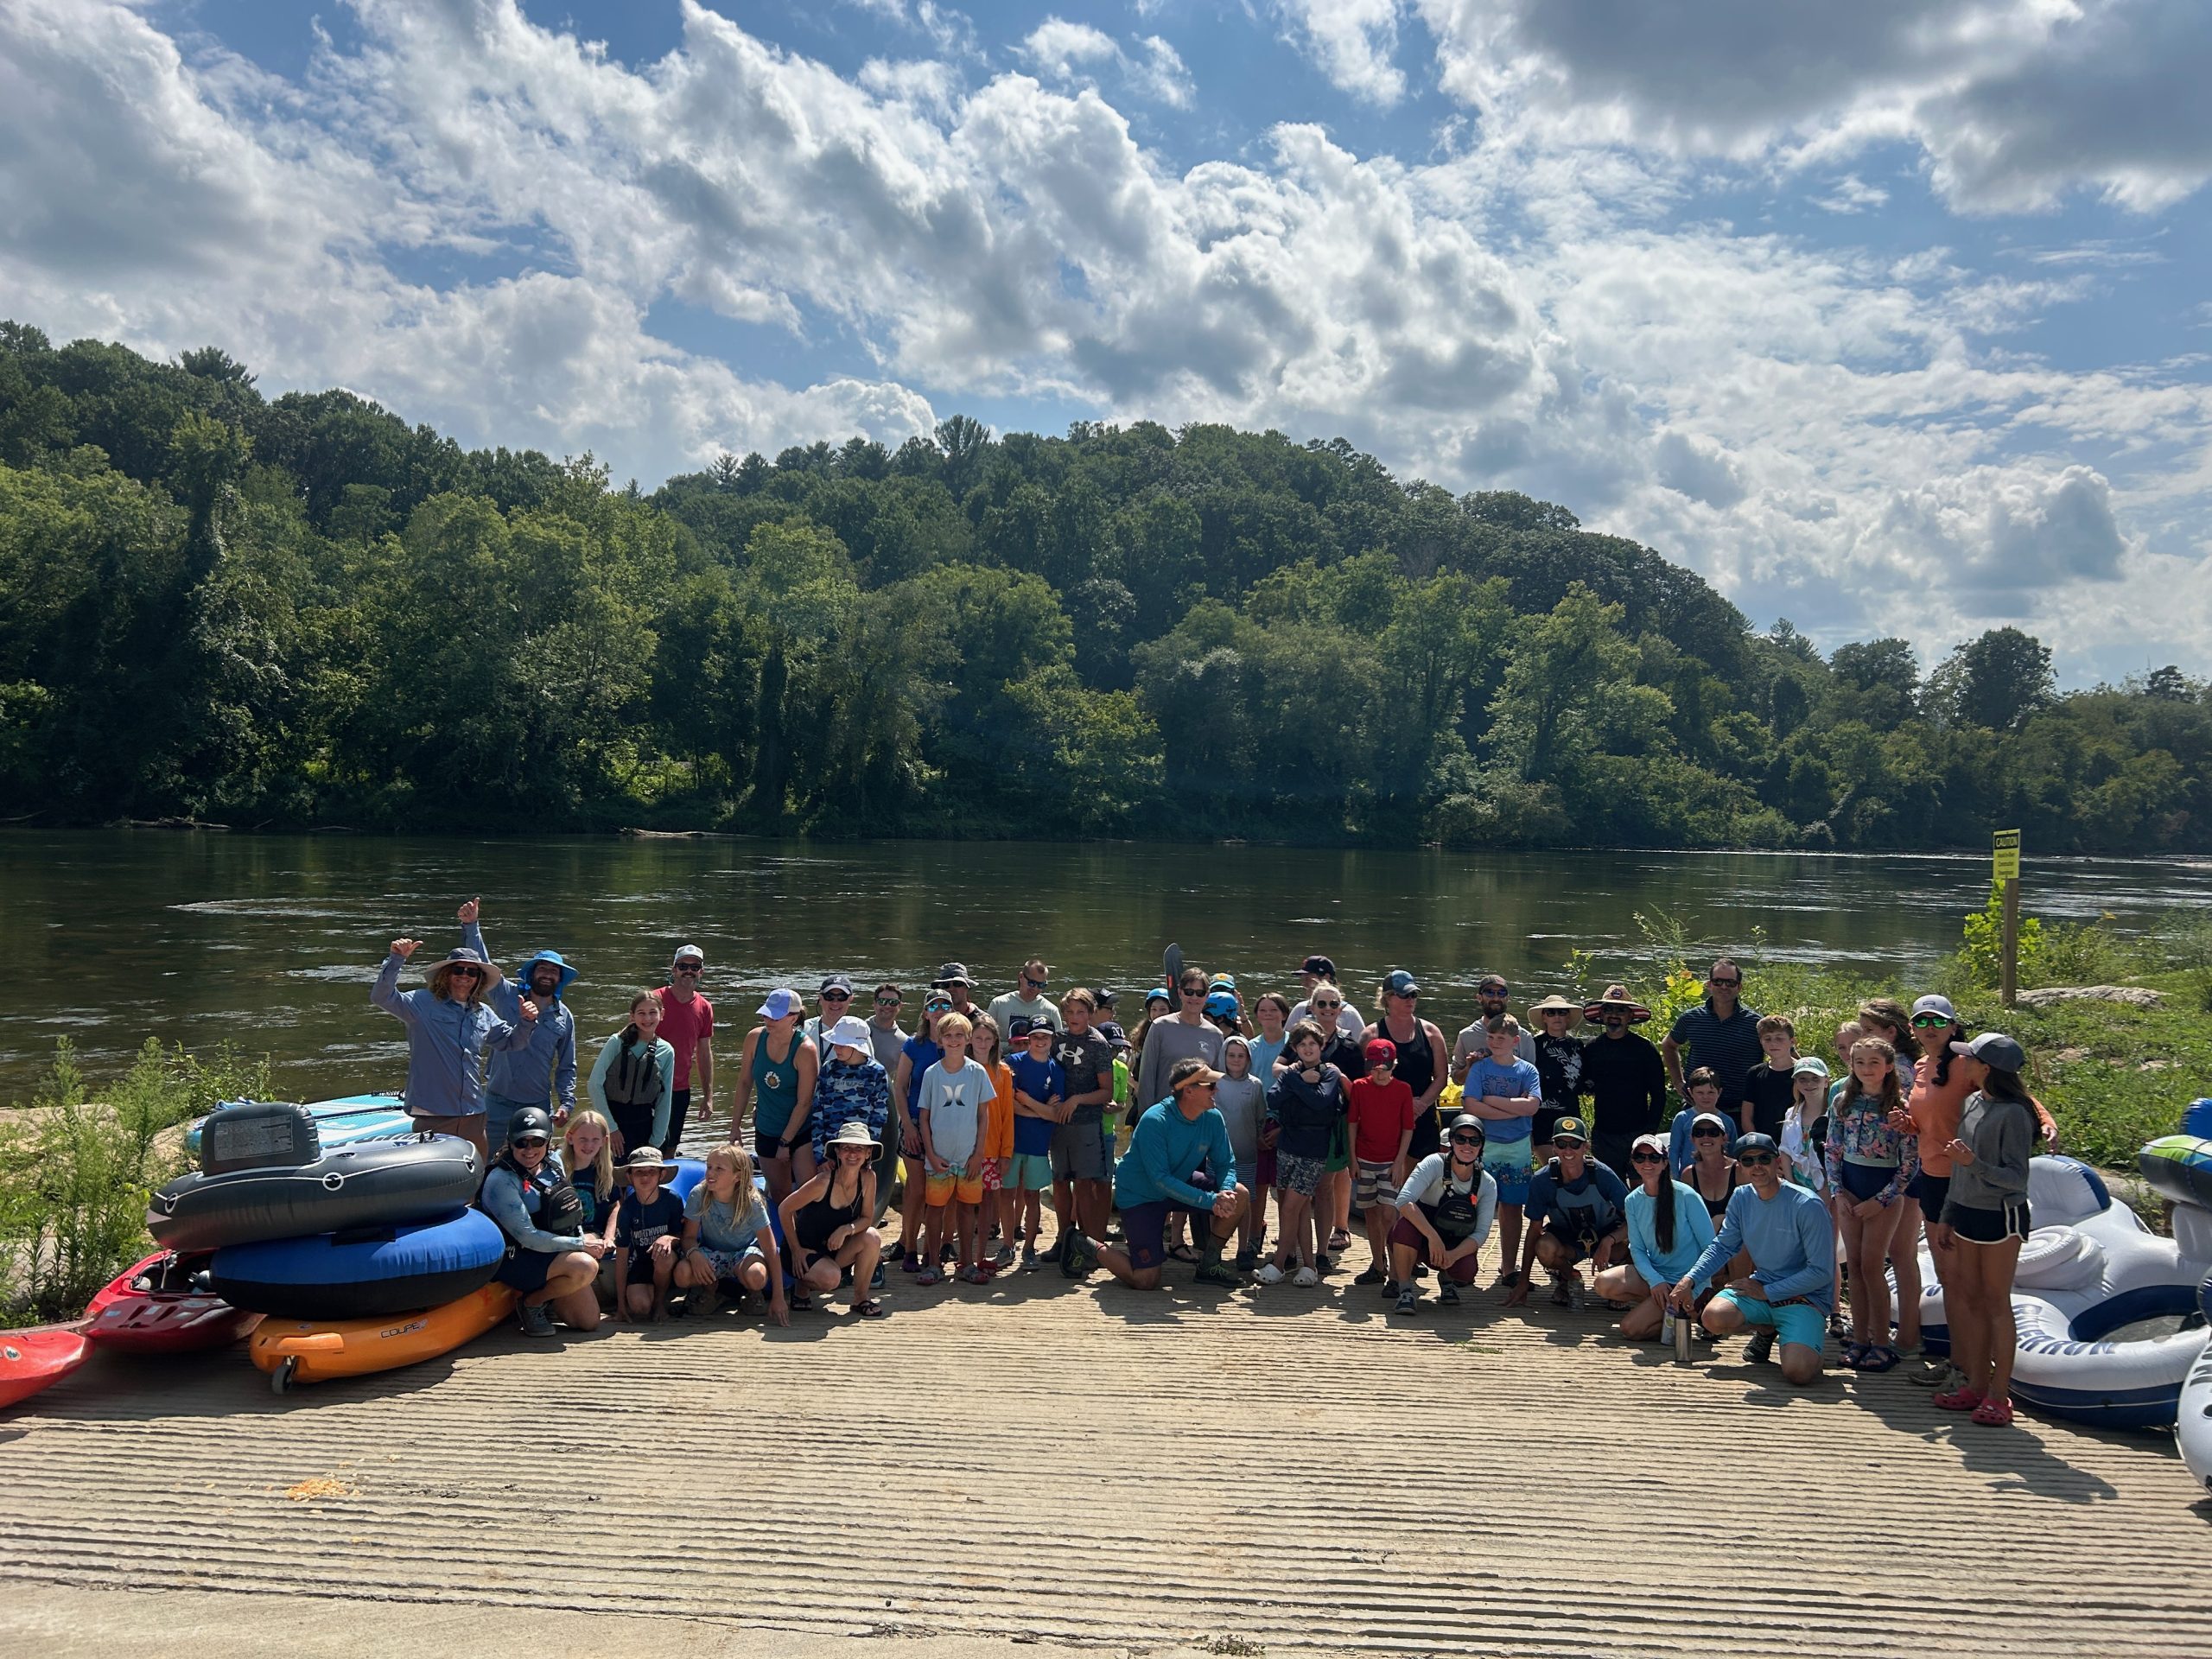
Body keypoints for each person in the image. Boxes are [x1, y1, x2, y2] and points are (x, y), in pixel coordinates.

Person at [1062, 1058, 1249, 1290]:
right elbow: (1160, 1180)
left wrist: (1226, 1192)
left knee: (1240, 1194)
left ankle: (1209, 1265)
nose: (1216, 1090)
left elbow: (1225, 1163)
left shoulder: (1213, 1117)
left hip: (1175, 1182)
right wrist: (1211, 1200)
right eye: (1210, 1086)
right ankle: (1082, 1242)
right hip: (1141, 1195)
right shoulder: (1155, 1120)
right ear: (1189, 1091)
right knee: (1146, 1280)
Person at [1931, 1033, 2040, 1427]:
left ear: (1987, 1068)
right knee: (1972, 1300)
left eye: (1971, 1058)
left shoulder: (2015, 1113)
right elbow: (1959, 1168)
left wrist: (1973, 1163)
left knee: (1996, 1303)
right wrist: (1948, 1214)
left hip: (2001, 1217)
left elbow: (2016, 1178)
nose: (1964, 1063)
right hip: (1966, 1213)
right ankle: (1976, 1386)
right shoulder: (1972, 1101)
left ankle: (1999, 1396)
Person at [1672, 1133, 1835, 1384]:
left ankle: (1805, 1343)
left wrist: (1768, 1292)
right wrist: (1689, 1280)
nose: (1756, 1166)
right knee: (1712, 1317)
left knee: (1799, 1372)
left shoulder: (1807, 1205)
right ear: (1740, 1167)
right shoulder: (1741, 1197)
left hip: (1805, 1297)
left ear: (1777, 1162)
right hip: (1763, 1288)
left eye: (1763, 1159)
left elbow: (1821, 1272)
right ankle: (1767, 1329)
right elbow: (1723, 1247)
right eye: (1748, 1161)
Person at [372, 934, 537, 1160]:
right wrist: (396, 959)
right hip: (433, 1114)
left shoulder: (483, 1013)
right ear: (446, 974)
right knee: (433, 1176)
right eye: (458, 970)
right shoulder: (421, 1002)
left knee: (476, 1173)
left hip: (474, 1114)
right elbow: (382, 997)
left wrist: (527, 1021)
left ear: (479, 979)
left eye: (472, 972)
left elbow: (512, 1042)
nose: (465, 976)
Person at [1826, 1035, 1919, 1374]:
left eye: (1874, 1062)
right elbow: (1832, 1148)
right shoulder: (1843, 1101)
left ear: (1889, 1066)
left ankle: (1881, 1342)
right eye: (1860, 1062)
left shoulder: (1900, 1107)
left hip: (1883, 1195)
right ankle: (1860, 1338)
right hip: (1849, 1191)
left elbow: (1910, 1163)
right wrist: (1838, 1191)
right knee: (1855, 1267)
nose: (1866, 1069)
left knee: (1872, 1266)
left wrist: (1881, 1200)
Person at [479, 1106, 607, 1337]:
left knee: (588, 1322)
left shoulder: (554, 1162)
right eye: (521, 1143)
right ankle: (532, 1303)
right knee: (586, 1266)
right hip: (518, 1256)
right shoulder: (502, 1181)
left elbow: (571, 1214)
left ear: (548, 1141)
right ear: (510, 1143)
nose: (529, 1150)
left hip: (551, 1250)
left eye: (537, 1142)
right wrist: (580, 1245)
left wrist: (580, 1237)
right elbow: (528, 1237)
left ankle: (546, 1294)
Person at [459, 899, 577, 1151]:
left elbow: (567, 1066)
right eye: (542, 968)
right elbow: (483, 964)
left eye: (554, 971)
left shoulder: (564, 1017)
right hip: (497, 1101)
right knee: (486, 1158)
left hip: (537, 1104)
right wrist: (471, 926)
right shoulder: (507, 996)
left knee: (534, 1163)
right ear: (532, 973)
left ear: (559, 979)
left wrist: (567, 1103)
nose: (547, 974)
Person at [1598, 1132, 1716, 1341]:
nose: (1647, 1163)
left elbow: (1711, 1248)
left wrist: (1692, 1284)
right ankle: (1673, 1311)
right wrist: (1655, 1281)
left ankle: (1694, 1308)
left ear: (1664, 1162)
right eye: (1640, 1157)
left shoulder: (1687, 1196)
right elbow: (1637, 1249)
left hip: (1690, 1281)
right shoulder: (1632, 1201)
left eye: (1654, 1157)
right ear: (1633, 1163)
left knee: (1630, 1329)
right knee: (1603, 1283)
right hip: (1658, 1277)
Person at [1254, 1020, 1346, 1286]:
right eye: (1302, 1044)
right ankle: (1309, 1266)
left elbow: (1320, 1101)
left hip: (1314, 1149)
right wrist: (1298, 1080)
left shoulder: (1330, 1073)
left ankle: (1279, 1264)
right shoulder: (1292, 1072)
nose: (1307, 1049)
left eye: (1312, 1044)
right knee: (1300, 1209)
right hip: (1288, 1145)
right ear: (1294, 1048)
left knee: (1290, 1207)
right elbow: (1273, 1098)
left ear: (1321, 1046)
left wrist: (1294, 1084)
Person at [1503, 1117, 1629, 1311]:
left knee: (1631, 1246)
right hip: (1568, 1241)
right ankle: (1569, 1277)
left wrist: (1609, 1240)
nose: (1568, 1151)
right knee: (1544, 1247)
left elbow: (1634, 1220)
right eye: (1561, 1144)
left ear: (1586, 1147)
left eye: (1575, 1144)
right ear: (1554, 1147)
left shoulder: (1603, 1175)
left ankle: (1622, 1286)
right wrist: (1523, 1281)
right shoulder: (1542, 1180)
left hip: (1608, 1238)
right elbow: (1534, 1230)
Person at [1460, 1015, 1541, 1288]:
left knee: (1512, 1206)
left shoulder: (1527, 1070)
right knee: (1474, 1203)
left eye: (1501, 1039)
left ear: (1515, 1041)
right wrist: (1513, 1109)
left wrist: (1493, 1101)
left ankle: (1509, 1267)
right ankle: (1464, 1266)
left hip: (1517, 1146)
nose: (1495, 1043)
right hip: (1484, 1146)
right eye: (1491, 1038)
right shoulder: (1480, 1069)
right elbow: (1471, 1106)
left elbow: (1532, 1106)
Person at [1388, 1114, 1498, 1315]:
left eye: (1474, 1140)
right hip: (1422, 1238)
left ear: (1481, 1145)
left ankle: (1447, 1279)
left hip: (1454, 1241)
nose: (1467, 1145)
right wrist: (1433, 1237)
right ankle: (1405, 1291)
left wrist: (1453, 1256)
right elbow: (1403, 1200)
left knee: (1467, 1270)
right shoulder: (1433, 1163)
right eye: (1461, 1139)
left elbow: (1481, 1233)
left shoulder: (1488, 1183)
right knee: (1403, 1229)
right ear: (1452, 1142)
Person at [917, 1011, 994, 1287]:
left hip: (968, 1157)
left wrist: (978, 1154)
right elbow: (924, 1118)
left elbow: (983, 1116)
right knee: (935, 1209)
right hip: (938, 1158)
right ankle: (934, 1264)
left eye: (959, 1035)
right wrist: (930, 1154)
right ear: (940, 1040)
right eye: (948, 1035)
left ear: (968, 1039)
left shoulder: (977, 1072)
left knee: (967, 1209)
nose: (953, 1040)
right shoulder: (932, 1074)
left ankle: (966, 1263)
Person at [779, 1121, 887, 1319]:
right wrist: (796, 1250)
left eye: (859, 1148)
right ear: (837, 1152)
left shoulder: (869, 1178)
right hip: (804, 1251)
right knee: (831, 1279)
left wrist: (846, 1229)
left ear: (868, 1153)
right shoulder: (823, 1181)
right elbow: (785, 1209)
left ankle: (861, 1299)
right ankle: (801, 1285)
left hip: (835, 1248)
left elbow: (867, 1219)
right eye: (846, 1148)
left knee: (872, 1236)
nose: (852, 1154)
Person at [673, 1143, 787, 1325]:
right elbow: (688, 1238)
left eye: (719, 1169)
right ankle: (711, 1291)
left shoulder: (751, 1201)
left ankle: (753, 1294)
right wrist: (694, 1255)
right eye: (709, 1166)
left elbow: (770, 1248)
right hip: (712, 1251)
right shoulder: (699, 1194)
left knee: (756, 1275)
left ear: (738, 1176)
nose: (711, 1173)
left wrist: (778, 1297)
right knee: (682, 1273)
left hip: (744, 1253)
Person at [732, 988, 819, 1211]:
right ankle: (785, 1232)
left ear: (793, 1017)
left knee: (808, 1192)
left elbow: (805, 1102)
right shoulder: (754, 1038)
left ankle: (809, 1230)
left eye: (775, 1017)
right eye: (766, 1015)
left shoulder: (805, 1049)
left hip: (800, 1130)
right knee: (780, 1193)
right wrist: (735, 1126)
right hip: (767, 1127)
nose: (768, 1020)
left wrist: (785, 1142)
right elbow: (744, 1083)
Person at [1049, 988, 1119, 1256]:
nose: (1075, 1017)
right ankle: (1063, 1239)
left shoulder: (1098, 1044)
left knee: (1083, 1183)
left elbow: (1106, 1092)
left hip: (1087, 1124)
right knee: (1059, 1181)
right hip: (1058, 1123)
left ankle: (1087, 1245)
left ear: (1090, 1014)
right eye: (1070, 1012)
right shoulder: (1057, 1039)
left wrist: (1077, 1099)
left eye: (1080, 1012)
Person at [1346, 1037, 1417, 1291]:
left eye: (1384, 1068)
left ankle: (1396, 1274)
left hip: (1390, 1162)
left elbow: (1408, 1128)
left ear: (1393, 1065)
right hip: (1364, 1159)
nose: (1379, 1073)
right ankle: (1378, 1265)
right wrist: (1353, 1159)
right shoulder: (1359, 1087)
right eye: (1375, 1068)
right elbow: (1352, 1124)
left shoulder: (1403, 1090)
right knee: (1370, 1213)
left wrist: (1399, 1163)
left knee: (1389, 1215)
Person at [1580, 984, 1668, 1179]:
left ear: (1630, 1016)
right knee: (1608, 1187)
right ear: (1601, 1015)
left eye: (1621, 1010)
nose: (1614, 1015)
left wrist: (1650, 1131)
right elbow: (1583, 1084)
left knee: (1641, 1186)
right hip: (1603, 1133)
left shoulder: (1645, 1049)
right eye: (1608, 1009)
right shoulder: (1592, 1049)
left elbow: (1658, 1095)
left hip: (1637, 1131)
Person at [891, 991, 951, 1272]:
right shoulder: (913, 1045)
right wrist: (907, 1123)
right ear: (926, 1013)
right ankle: (908, 1247)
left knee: (942, 1190)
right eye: (933, 1006)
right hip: (915, 1123)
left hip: (947, 1126)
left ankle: (937, 1246)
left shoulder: (957, 1043)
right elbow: (900, 1086)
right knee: (916, 1190)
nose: (939, 1010)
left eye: (945, 1005)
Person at [1364, 970, 1447, 1166]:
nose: (1410, 999)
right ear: (1387, 998)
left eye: (1413, 994)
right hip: (1386, 1117)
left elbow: (1442, 1077)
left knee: (1423, 1178)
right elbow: (1368, 1080)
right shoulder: (1371, 1035)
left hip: (1423, 1116)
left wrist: (1420, 1106)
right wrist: (1404, 1104)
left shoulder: (1432, 1033)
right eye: (1404, 995)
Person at [587, 990, 676, 1160]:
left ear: (662, 1014)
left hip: (645, 1126)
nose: (647, 1018)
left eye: (652, 1013)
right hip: (613, 1123)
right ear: (632, 1016)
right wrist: (611, 1128)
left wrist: (656, 1142)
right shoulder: (616, 1042)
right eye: (641, 1013)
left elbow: (665, 1100)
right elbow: (594, 1085)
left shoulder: (666, 1051)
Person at [1007, 1020, 1066, 1268]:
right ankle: (1007, 1245)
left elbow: (1056, 1114)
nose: (1040, 1041)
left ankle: (1029, 1248)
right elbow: (1009, 1104)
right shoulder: (1013, 1063)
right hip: (1011, 1141)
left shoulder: (1057, 1070)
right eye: (1035, 1036)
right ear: (1028, 1039)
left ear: (1052, 1040)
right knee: (1007, 1194)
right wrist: (1041, 1110)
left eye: (1045, 1037)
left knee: (1032, 1195)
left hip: (1038, 1143)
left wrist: (1028, 1101)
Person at [1663, 959, 1763, 1103]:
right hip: (1696, 1106)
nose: (1724, 986)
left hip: (1740, 1108)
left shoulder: (1756, 1023)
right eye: (1718, 981)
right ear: (1709, 984)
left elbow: (1784, 1054)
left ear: (1739, 987)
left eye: (1730, 982)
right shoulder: (1691, 1018)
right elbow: (1668, 1045)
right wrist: (1678, 1082)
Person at [1213, 1035, 1269, 1270]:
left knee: (1245, 1203)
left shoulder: (1255, 1085)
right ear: (1223, 1056)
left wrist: (1260, 1137)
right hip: (1217, 1154)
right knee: (1217, 1199)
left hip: (1246, 1153)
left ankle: (1243, 1248)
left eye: (1241, 1056)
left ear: (1248, 1059)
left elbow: (1260, 1118)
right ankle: (1214, 1248)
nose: (1236, 1060)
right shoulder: (1215, 1082)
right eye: (1231, 1055)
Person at [1135, 969, 1228, 1112]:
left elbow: (1217, 1084)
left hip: (1200, 1116)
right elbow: (1147, 1077)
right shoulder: (1160, 1027)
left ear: (1207, 996)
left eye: (1200, 993)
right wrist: (1147, 1116)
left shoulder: (1215, 1035)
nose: (1194, 997)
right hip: (1164, 1114)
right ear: (1179, 992)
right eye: (1189, 992)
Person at [653, 945, 715, 1158]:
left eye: (694, 967)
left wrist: (708, 1096)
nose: (689, 971)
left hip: (679, 1089)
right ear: (674, 970)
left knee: (670, 1146)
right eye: (683, 966)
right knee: (645, 1146)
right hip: (648, 1087)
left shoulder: (704, 1007)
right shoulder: (654, 1000)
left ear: (701, 972)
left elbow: (704, 1053)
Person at [611, 1147, 684, 1323]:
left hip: (669, 1261)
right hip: (641, 1262)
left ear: (661, 1174)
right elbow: (621, 1257)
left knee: (663, 1256)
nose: (645, 1177)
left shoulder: (673, 1200)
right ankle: (657, 1296)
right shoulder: (627, 1209)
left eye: (651, 1171)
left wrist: (668, 1238)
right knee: (640, 1307)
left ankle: (659, 1303)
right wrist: (620, 1306)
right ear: (629, 1176)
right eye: (639, 1172)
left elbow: (684, 1236)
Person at [809, 1014, 893, 1168]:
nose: (836, 1048)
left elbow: (879, 1115)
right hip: (830, 1149)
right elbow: (817, 1111)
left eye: (841, 1045)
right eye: (835, 1043)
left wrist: (868, 1152)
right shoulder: (828, 1068)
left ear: (856, 1046)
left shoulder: (877, 1072)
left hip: (860, 1150)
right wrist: (821, 1154)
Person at [969, 1013, 1017, 1271]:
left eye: (988, 1039)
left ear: (996, 1041)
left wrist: (1006, 1153)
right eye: (978, 1038)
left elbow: (1007, 1115)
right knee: (963, 1203)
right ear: (970, 1039)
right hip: (964, 1149)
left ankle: (980, 1256)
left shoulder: (1003, 1072)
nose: (983, 1043)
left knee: (988, 1202)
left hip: (992, 1149)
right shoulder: (960, 1067)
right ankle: (959, 1252)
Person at [558, 1109, 622, 1286]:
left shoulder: (603, 1172)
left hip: (592, 1232)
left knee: (590, 1241)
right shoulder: (558, 1170)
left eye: (595, 1140)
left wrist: (609, 1236)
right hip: (563, 1234)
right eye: (583, 1139)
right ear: (570, 1138)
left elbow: (615, 1206)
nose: (589, 1145)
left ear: (604, 1141)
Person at [1525, 994, 1586, 1164]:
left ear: (1568, 1017)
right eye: (1551, 1012)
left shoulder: (1577, 1045)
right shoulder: (1533, 1045)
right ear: (1544, 1017)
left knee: (1571, 1166)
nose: (1557, 1016)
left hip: (1570, 1113)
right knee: (1551, 1167)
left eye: (1561, 1012)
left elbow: (1585, 1080)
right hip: (1542, 1115)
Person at [1451, 974, 1534, 1082]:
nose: (1496, 998)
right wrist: (1470, 1067)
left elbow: (1531, 1079)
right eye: (1489, 993)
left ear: (1507, 998)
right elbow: (1456, 1079)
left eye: (1501, 993)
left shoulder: (1524, 1037)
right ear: (1479, 998)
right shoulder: (1466, 1036)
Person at [1738, 1014, 1799, 1141]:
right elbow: (1747, 1117)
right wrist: (1758, 1142)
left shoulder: (1802, 1072)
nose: (1773, 1043)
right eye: (1768, 1039)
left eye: (1779, 1038)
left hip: (1797, 1141)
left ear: (1792, 1041)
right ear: (1761, 1042)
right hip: (1763, 1142)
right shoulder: (1755, 1073)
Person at [1780, 1058, 1830, 1198]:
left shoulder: (1835, 1115)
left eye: (1815, 1079)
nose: (1809, 1084)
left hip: (1826, 1184)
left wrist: (1828, 1188)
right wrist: (1791, 1184)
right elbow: (1785, 1150)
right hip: (1797, 1183)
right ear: (1796, 1083)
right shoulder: (1791, 1114)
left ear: (1826, 1081)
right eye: (1803, 1079)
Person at [1681, 1112, 1742, 1224]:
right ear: (1693, 1139)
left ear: (1724, 1138)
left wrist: (1722, 1219)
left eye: (1713, 1132)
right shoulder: (1688, 1175)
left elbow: (1751, 1210)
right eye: (1699, 1133)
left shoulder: (1740, 1170)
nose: (1706, 1137)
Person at [1665, 1068, 1727, 1175]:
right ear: (1691, 1092)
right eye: (1700, 1092)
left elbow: (1731, 1151)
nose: (1705, 1097)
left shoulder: (1727, 1121)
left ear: (1719, 1092)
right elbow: (1674, 1151)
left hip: (1718, 1177)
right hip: (1687, 1177)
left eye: (1711, 1092)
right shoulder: (1682, 1118)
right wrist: (1674, 1178)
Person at [1291, 956, 1368, 1040]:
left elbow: (1361, 1046)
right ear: (1312, 1009)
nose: (1303, 984)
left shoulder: (1349, 1014)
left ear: (1326, 978)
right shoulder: (1300, 1010)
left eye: (1307, 979)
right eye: (1303, 979)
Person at [988, 959, 1063, 1039]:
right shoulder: (998, 1004)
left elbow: (1058, 1043)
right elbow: (986, 1037)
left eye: (1041, 985)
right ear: (1021, 977)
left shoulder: (1051, 1011)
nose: (1035, 988)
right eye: (1032, 983)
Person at [801, 974, 857, 1051]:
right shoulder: (803, 1030)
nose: (835, 1003)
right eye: (829, 996)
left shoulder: (859, 1032)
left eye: (842, 997)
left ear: (850, 999)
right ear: (820, 998)